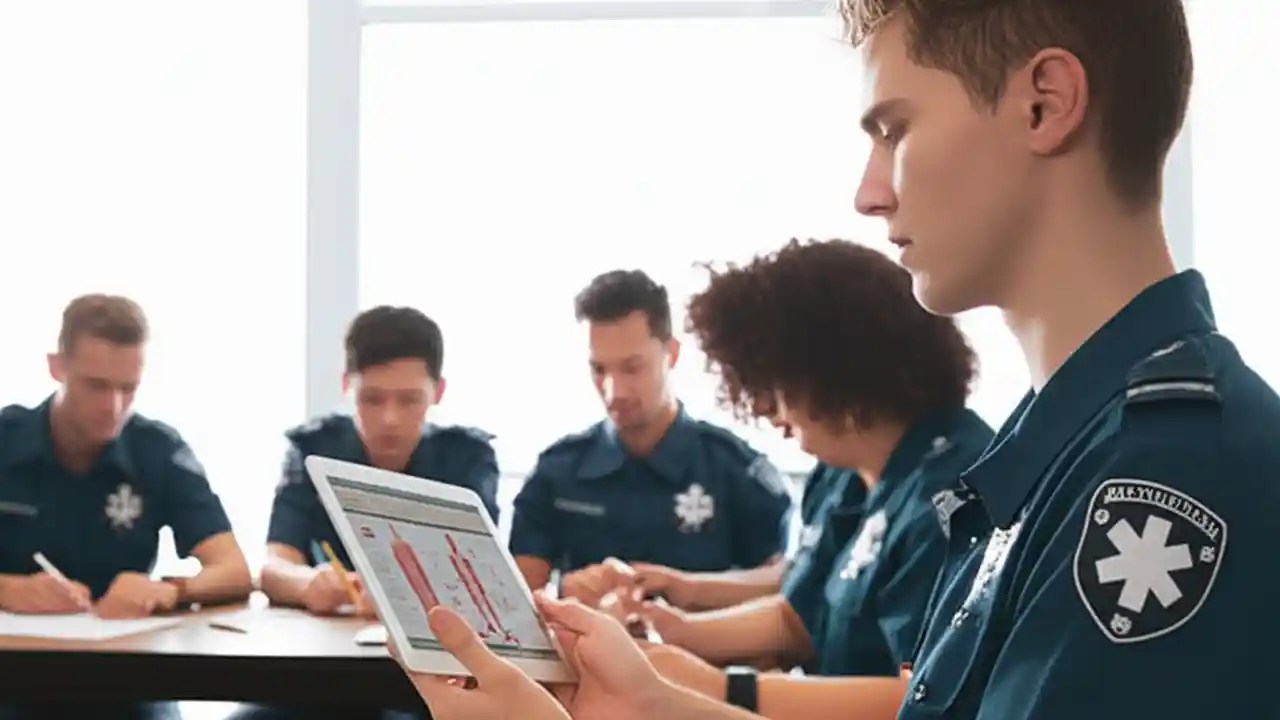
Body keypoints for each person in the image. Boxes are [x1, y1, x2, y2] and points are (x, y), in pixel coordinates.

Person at [397, 0, 1280, 718]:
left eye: (894, 129)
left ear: (1044, 102)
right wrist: (653, 708)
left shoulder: (1172, 477)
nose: (870, 190)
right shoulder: (1065, 449)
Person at [629, 240, 993, 712]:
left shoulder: (953, 497)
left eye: (774, 383)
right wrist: (676, 633)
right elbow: (800, 616)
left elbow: (928, 697)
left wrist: (720, 689)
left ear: (835, 372)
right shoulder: (841, 476)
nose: (762, 406)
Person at [0, 294, 251, 720]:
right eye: (96, 386)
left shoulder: (158, 449)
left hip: (126, 683)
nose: (113, 407)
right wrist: (10, 590)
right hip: (15, 682)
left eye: (127, 388)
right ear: (56, 367)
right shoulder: (5, 439)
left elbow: (234, 569)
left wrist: (168, 590)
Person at [509, 270, 793, 607]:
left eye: (632, 368)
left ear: (671, 354)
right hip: (581, 653)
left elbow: (781, 611)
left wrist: (690, 596)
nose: (614, 391)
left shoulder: (737, 472)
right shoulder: (557, 472)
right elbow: (515, 607)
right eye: (599, 370)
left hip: (704, 657)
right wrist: (563, 592)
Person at [261, 306, 499, 617]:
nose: (389, 419)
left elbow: (484, 573)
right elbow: (273, 566)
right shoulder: (312, 449)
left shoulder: (468, 455)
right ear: (347, 385)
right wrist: (307, 583)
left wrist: (408, 594)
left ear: (438, 392)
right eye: (372, 399)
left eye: (409, 400)